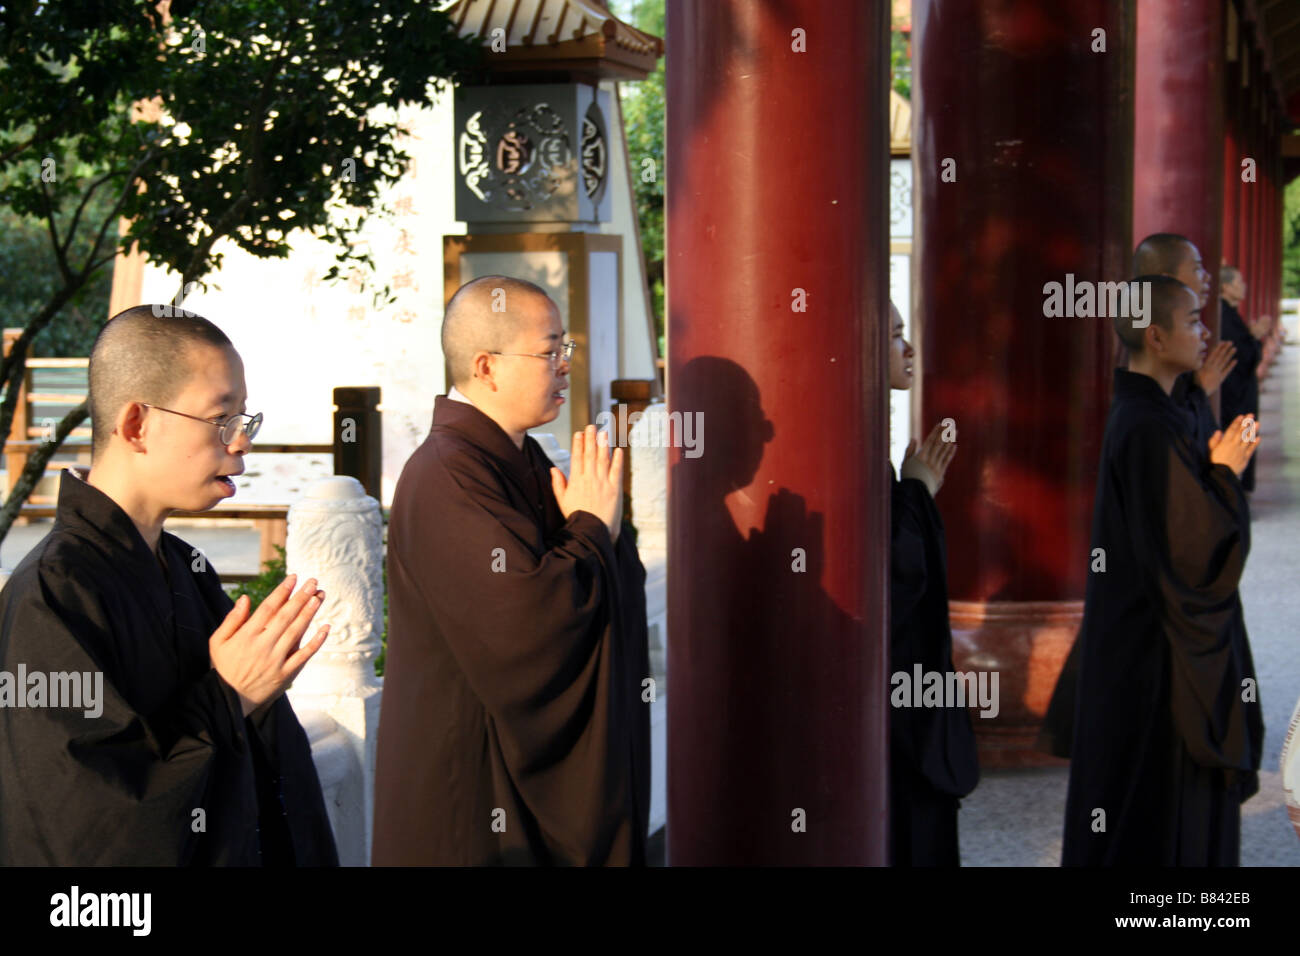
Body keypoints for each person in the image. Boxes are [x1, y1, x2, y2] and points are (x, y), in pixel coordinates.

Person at [0, 305, 338, 866]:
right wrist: (230, 696)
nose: (242, 444)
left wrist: (249, 696)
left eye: (246, 421)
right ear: (136, 425)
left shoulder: (184, 566)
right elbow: (92, 822)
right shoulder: (52, 593)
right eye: (221, 420)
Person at [372, 275, 650, 866]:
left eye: (565, 350)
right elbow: (529, 622)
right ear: (487, 366)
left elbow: (586, 581)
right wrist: (593, 530)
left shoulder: (514, 458)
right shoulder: (448, 474)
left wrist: (602, 532)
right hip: (468, 787)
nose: (566, 367)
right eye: (550, 352)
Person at [1044, 276, 1263, 865]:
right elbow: (1198, 561)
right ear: (1156, 334)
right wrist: (1223, 474)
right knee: (1158, 820)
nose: (1205, 330)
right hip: (1156, 666)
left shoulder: (1153, 412)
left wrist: (1207, 434)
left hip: (1147, 653)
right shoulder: (1143, 427)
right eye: (1194, 319)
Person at [886, 302, 979, 866]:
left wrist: (913, 490)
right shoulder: (842, 440)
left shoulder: (865, 432)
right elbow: (892, 580)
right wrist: (916, 494)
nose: (910, 349)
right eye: (896, 335)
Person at [1132, 233, 1237, 450]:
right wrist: (1201, 390)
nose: (1208, 278)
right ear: (1167, 278)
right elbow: (1165, 427)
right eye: (1197, 269)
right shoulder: (1151, 336)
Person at [1218, 265, 1262, 492]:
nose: (1244, 287)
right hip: (1235, 395)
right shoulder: (1223, 315)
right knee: (1240, 436)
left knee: (1247, 434)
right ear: (1226, 286)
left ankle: (1242, 483)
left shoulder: (1231, 313)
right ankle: (1239, 485)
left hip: (1242, 391)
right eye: (1239, 282)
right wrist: (1254, 337)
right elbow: (1244, 356)